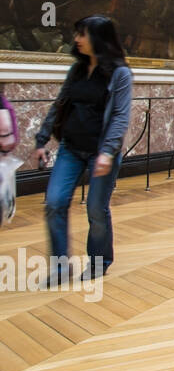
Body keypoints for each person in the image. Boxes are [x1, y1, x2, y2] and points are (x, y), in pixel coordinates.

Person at [33, 16, 134, 285]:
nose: (76, 39)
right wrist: (41, 140)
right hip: (70, 149)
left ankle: (99, 262)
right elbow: (59, 105)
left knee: (96, 210)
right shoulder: (76, 71)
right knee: (54, 203)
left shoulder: (120, 74)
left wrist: (107, 152)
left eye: (82, 34)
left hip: (101, 153)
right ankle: (60, 267)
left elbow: (120, 117)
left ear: (98, 39)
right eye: (77, 34)